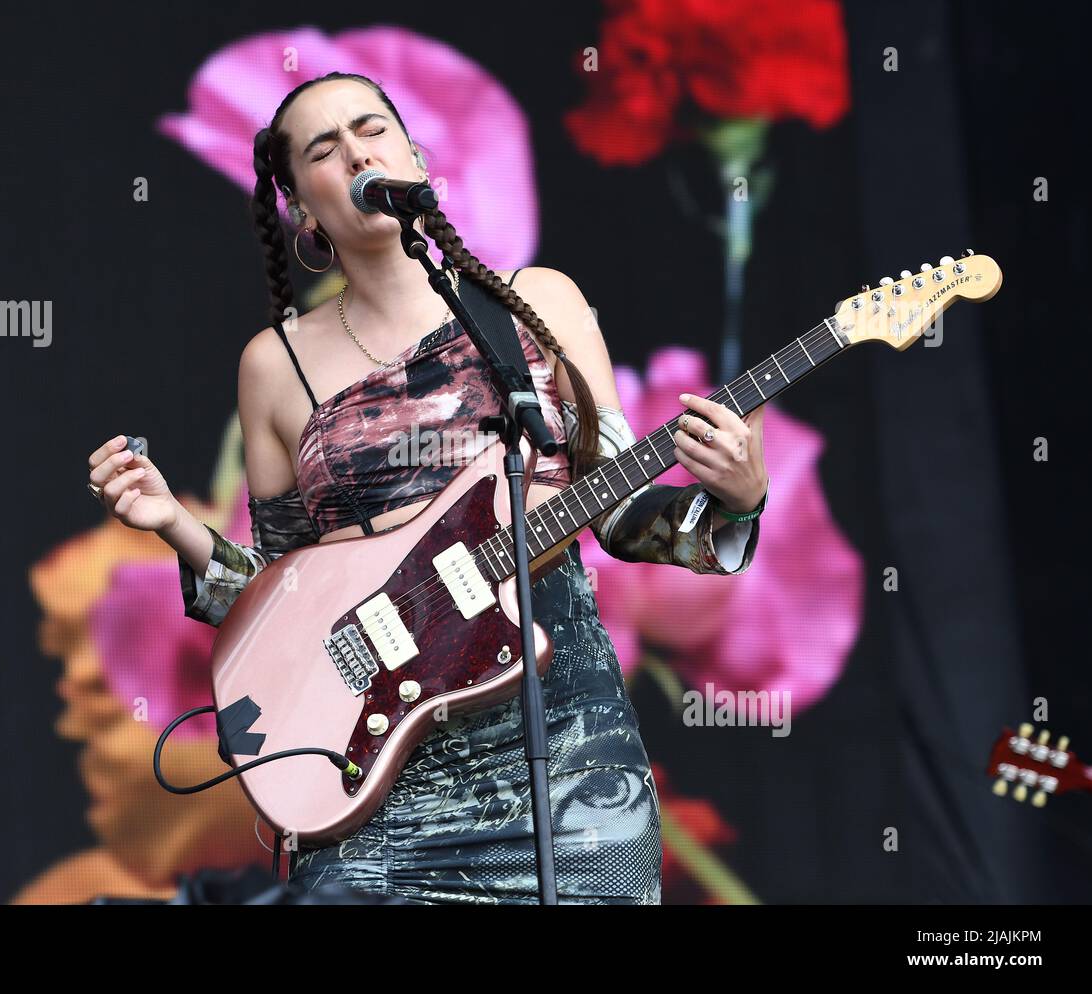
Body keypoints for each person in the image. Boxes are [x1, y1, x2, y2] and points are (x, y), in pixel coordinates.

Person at [86, 72, 768, 904]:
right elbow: (287, 617)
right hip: (376, 773)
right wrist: (177, 527)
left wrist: (738, 496)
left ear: (414, 155)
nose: (357, 153)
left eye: (371, 129)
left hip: (564, 750)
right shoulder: (277, 366)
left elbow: (620, 512)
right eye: (324, 151)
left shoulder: (535, 304)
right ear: (303, 206)